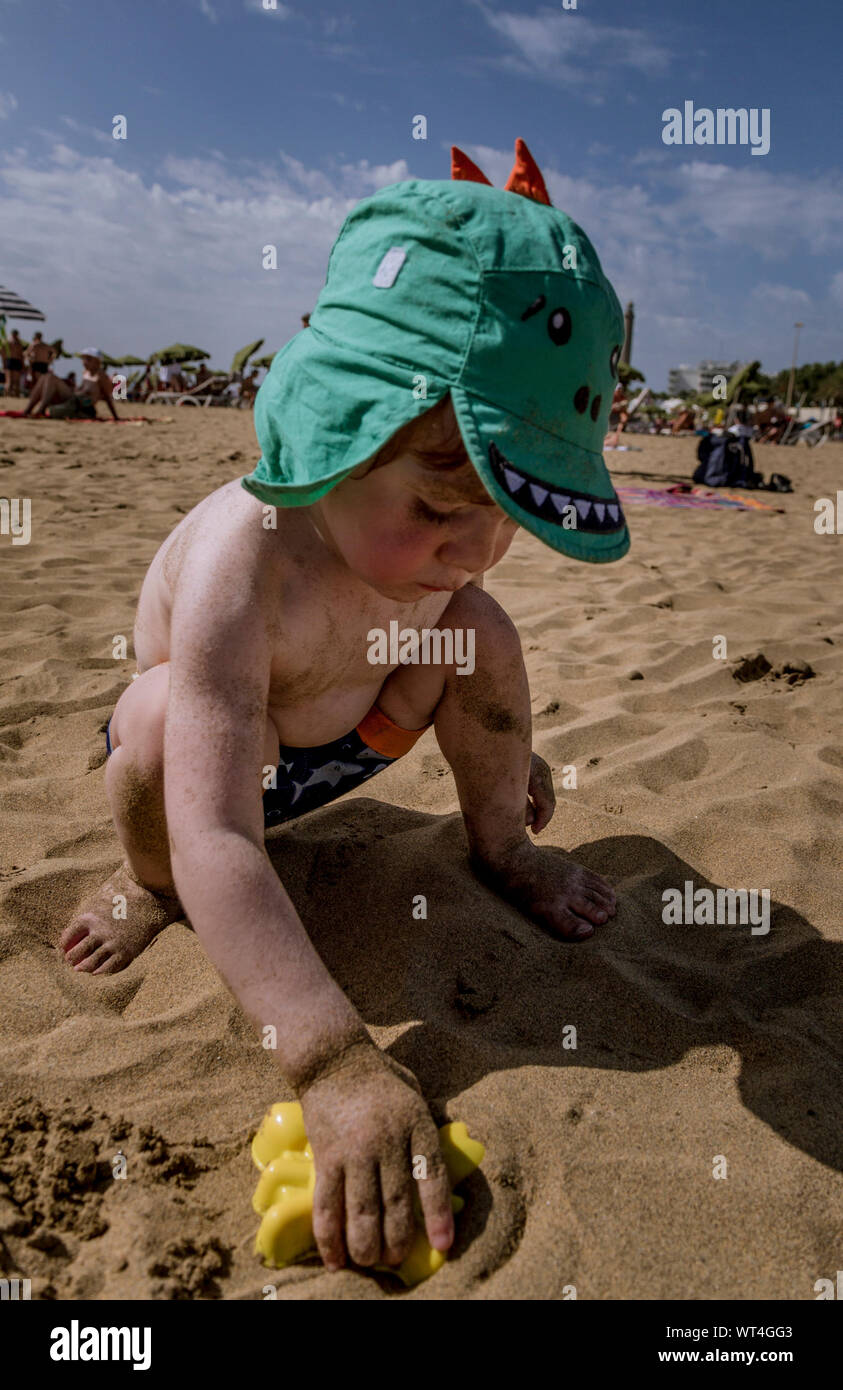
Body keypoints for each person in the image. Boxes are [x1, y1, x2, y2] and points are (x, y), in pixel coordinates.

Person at [59, 141, 626, 1275]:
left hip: (355, 732)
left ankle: (501, 841)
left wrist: (508, 761)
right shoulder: (249, 554)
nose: (476, 546)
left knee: (482, 632)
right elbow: (220, 822)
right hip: (221, 772)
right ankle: (145, 885)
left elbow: (464, 633)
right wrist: (331, 1064)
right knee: (165, 721)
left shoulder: (442, 565)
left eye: (507, 513)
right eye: (437, 508)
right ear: (336, 434)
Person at [22, 349, 118, 419]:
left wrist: (116, 417)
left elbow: (107, 398)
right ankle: (28, 410)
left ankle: (40, 411)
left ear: (97, 361)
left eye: (88, 359)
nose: (84, 362)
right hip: (73, 400)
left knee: (51, 378)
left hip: (81, 406)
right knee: (45, 377)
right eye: (84, 359)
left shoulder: (101, 376)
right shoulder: (86, 373)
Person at [2, 329, 25, 397]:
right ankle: (15, 395)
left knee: (8, 380)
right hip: (17, 361)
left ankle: (7, 395)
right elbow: (21, 356)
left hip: (9, 360)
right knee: (16, 381)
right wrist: (23, 365)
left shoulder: (7, 342)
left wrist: (4, 363)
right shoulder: (19, 343)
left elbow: (3, 354)